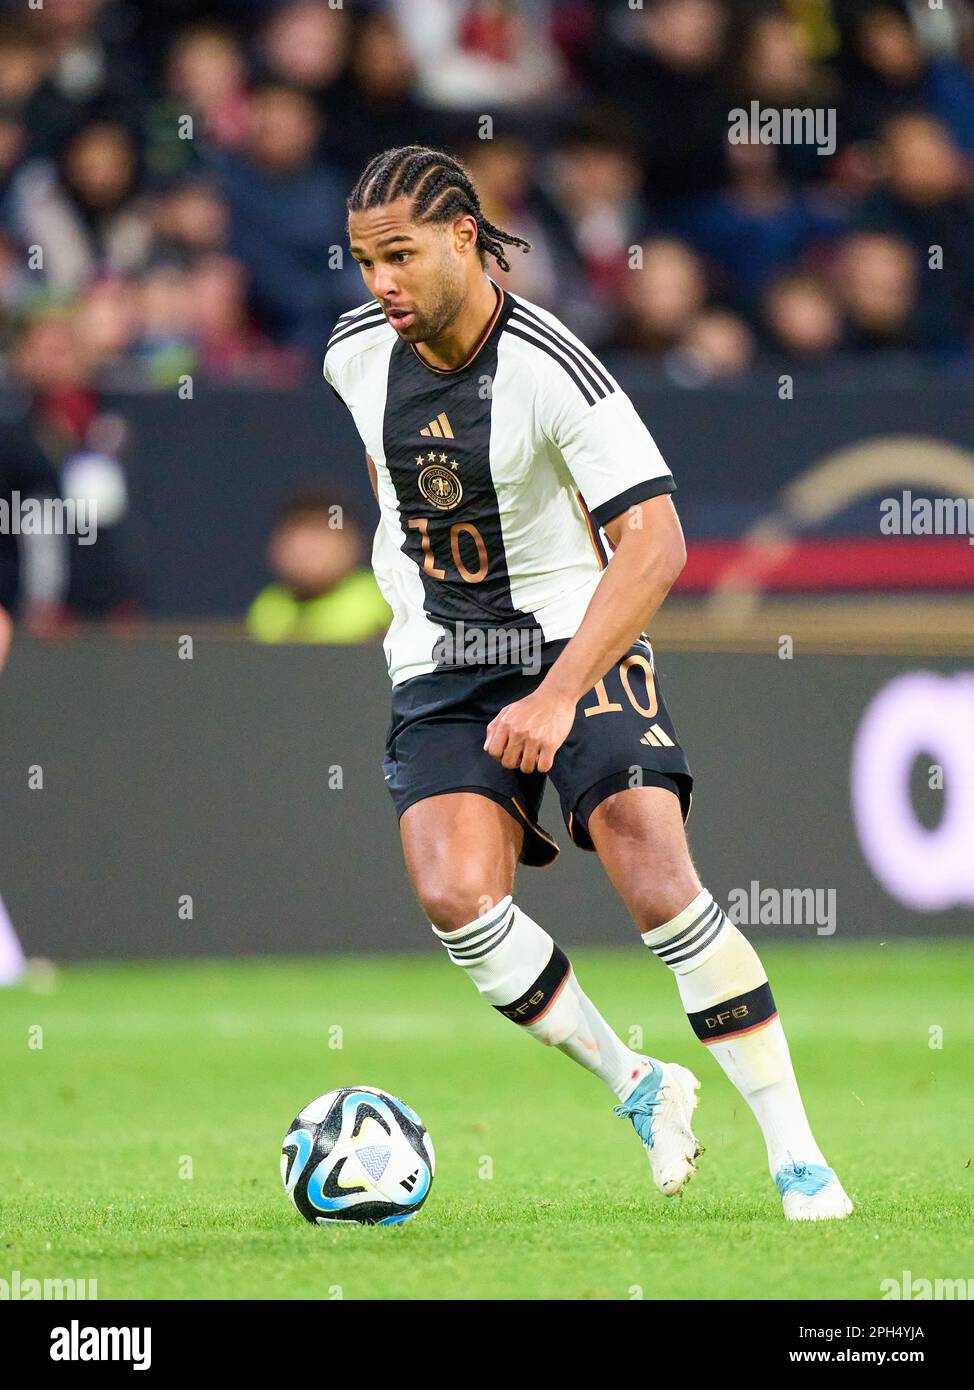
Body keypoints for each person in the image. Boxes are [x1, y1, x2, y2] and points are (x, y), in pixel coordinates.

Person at [323, 144, 852, 1221]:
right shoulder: (352, 354)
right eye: (361, 259)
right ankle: (637, 1083)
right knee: (455, 899)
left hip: (573, 638)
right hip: (441, 660)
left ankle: (796, 1153)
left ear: (464, 238)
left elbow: (655, 546)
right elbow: (398, 486)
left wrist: (558, 690)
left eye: (398, 255)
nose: (378, 282)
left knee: (649, 860)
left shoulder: (554, 367)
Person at [247, 492, 390, 644]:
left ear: (352, 543)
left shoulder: (386, 596)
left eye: (324, 530)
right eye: (300, 531)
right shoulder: (267, 607)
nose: (311, 546)